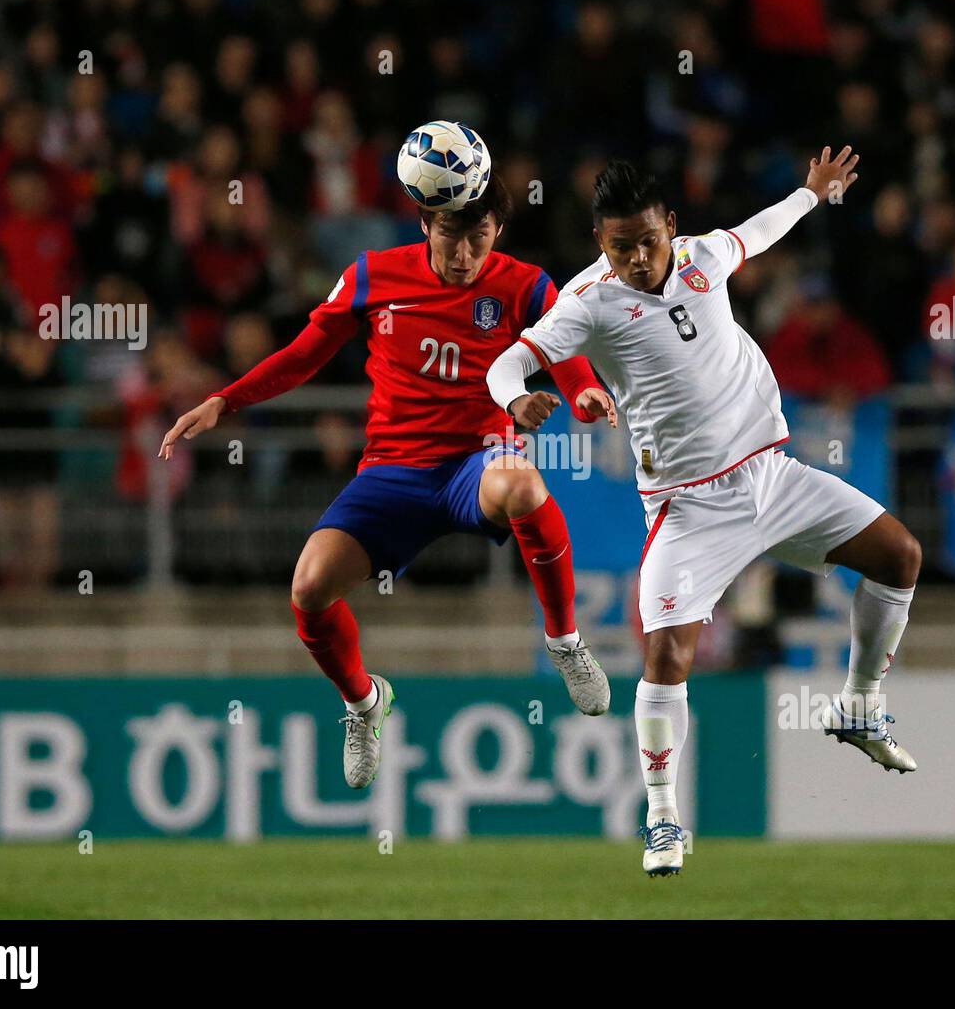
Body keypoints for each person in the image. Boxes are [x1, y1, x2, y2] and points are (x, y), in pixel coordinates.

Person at [487, 152, 923, 876]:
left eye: (647, 241)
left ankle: (860, 705)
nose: (634, 257)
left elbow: (761, 228)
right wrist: (516, 399)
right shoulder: (588, 300)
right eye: (618, 244)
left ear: (672, 228)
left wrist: (812, 194)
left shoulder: (704, 257)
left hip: (771, 476)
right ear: (600, 239)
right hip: (689, 508)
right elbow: (509, 363)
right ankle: (662, 818)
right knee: (666, 654)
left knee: (899, 556)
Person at [159, 177, 615, 790]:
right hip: (392, 472)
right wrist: (225, 399)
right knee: (310, 588)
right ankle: (364, 702)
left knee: (522, 484)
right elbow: (303, 354)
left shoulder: (525, 284)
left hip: (475, 462)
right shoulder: (373, 275)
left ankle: (563, 638)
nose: (463, 257)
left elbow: (565, 351)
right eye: (452, 237)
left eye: (478, 240)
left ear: (496, 232)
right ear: (425, 223)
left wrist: (583, 390)